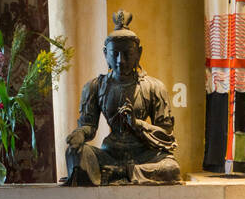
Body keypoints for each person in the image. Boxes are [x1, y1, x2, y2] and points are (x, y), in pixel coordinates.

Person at [64, 10, 181, 185]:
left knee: (171, 169)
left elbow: (166, 136)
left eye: (128, 53)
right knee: (75, 153)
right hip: (109, 154)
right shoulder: (95, 87)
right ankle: (119, 172)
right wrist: (80, 133)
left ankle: (119, 173)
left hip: (144, 155)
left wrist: (137, 124)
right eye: (115, 53)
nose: (121, 60)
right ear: (105, 54)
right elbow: (89, 125)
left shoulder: (154, 87)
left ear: (139, 53)